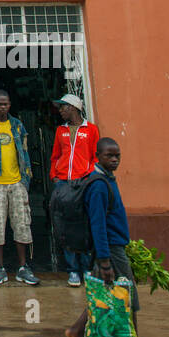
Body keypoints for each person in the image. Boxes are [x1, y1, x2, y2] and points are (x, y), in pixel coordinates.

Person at [63, 138, 163, 337]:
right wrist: (106, 260)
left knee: (104, 294)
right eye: (110, 156)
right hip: (110, 250)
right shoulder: (98, 185)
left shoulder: (107, 180)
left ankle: (77, 332)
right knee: (128, 297)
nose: (115, 160)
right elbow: (98, 224)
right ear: (98, 156)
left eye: (117, 155)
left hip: (112, 248)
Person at [0, 88, 39, 285]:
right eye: (0, 104)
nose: (3, 107)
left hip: (17, 182)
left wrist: (25, 180)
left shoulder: (17, 126)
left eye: (6, 104)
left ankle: (23, 267)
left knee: (22, 225)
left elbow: (25, 153)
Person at [48, 93, 99, 285]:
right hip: (63, 183)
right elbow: (55, 156)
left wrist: (89, 176)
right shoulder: (60, 131)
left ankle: (86, 269)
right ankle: (72, 271)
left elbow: (95, 156)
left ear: (74, 108)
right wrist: (54, 175)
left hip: (82, 182)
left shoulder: (91, 130)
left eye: (63, 107)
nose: (60, 111)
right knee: (65, 226)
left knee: (83, 225)